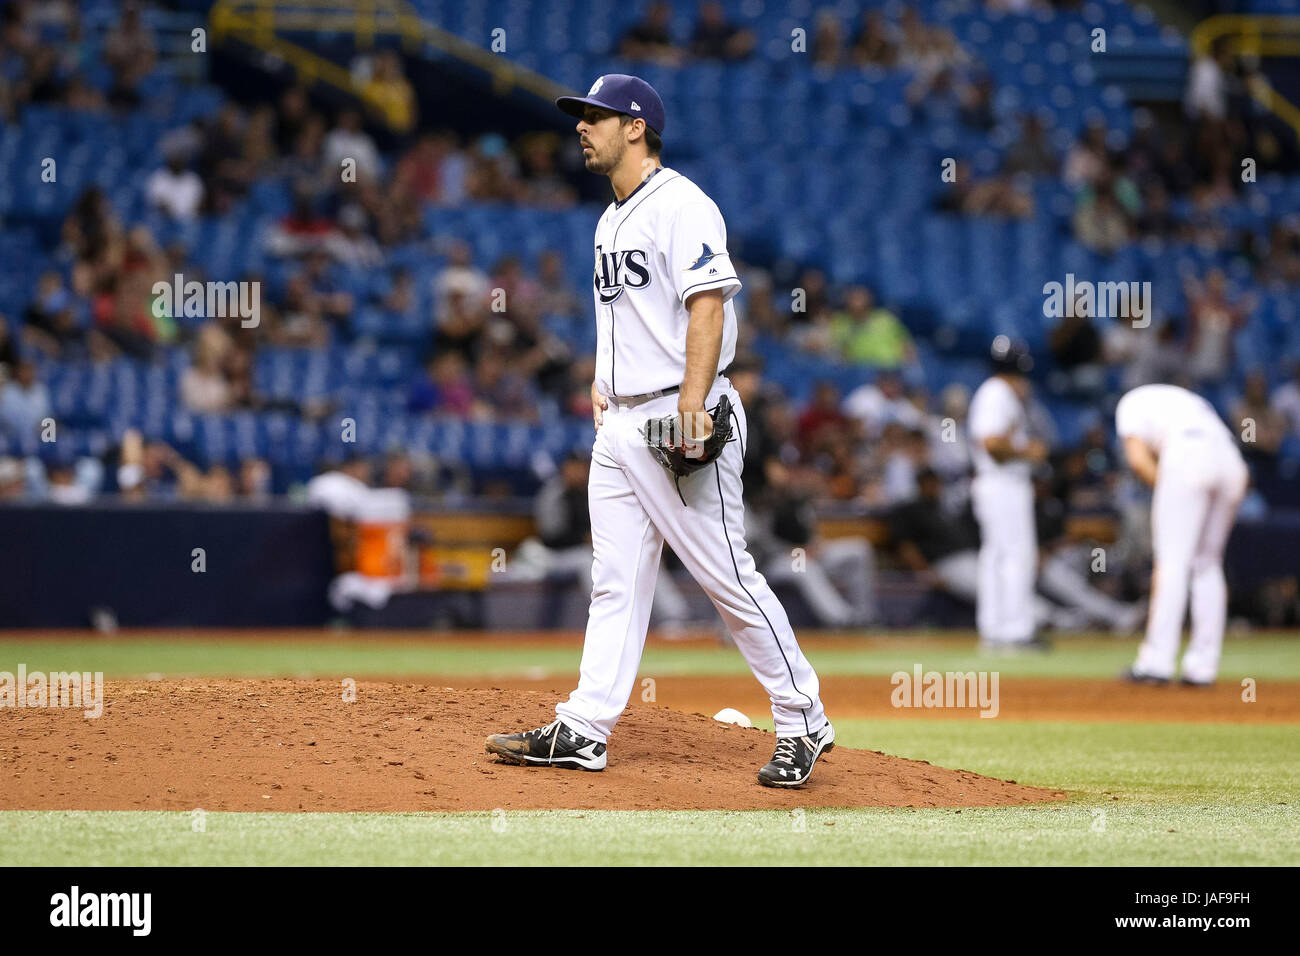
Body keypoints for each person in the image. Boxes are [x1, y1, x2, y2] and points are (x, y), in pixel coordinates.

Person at [486, 74, 833, 787]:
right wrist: (602, 381)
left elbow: (707, 306)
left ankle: (804, 719)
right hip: (620, 420)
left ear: (636, 126)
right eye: (580, 118)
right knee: (614, 582)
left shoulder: (682, 204)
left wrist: (694, 402)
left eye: (596, 117)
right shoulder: (610, 218)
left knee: (725, 576)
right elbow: (629, 319)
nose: (581, 128)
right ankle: (585, 727)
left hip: (679, 411)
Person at [1116, 385, 1249, 685]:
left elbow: (1139, 461)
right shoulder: (1189, 400)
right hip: (1231, 461)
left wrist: (1172, 493)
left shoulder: (1129, 404)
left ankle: (1156, 663)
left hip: (1189, 457)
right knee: (1207, 562)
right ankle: (1203, 667)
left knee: (1172, 562)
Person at [968, 336, 1048, 651]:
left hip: (997, 484)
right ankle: (1014, 630)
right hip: (1002, 483)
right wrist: (1029, 451)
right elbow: (991, 443)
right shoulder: (997, 393)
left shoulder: (996, 393)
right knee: (1014, 554)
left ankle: (996, 630)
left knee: (998, 556)